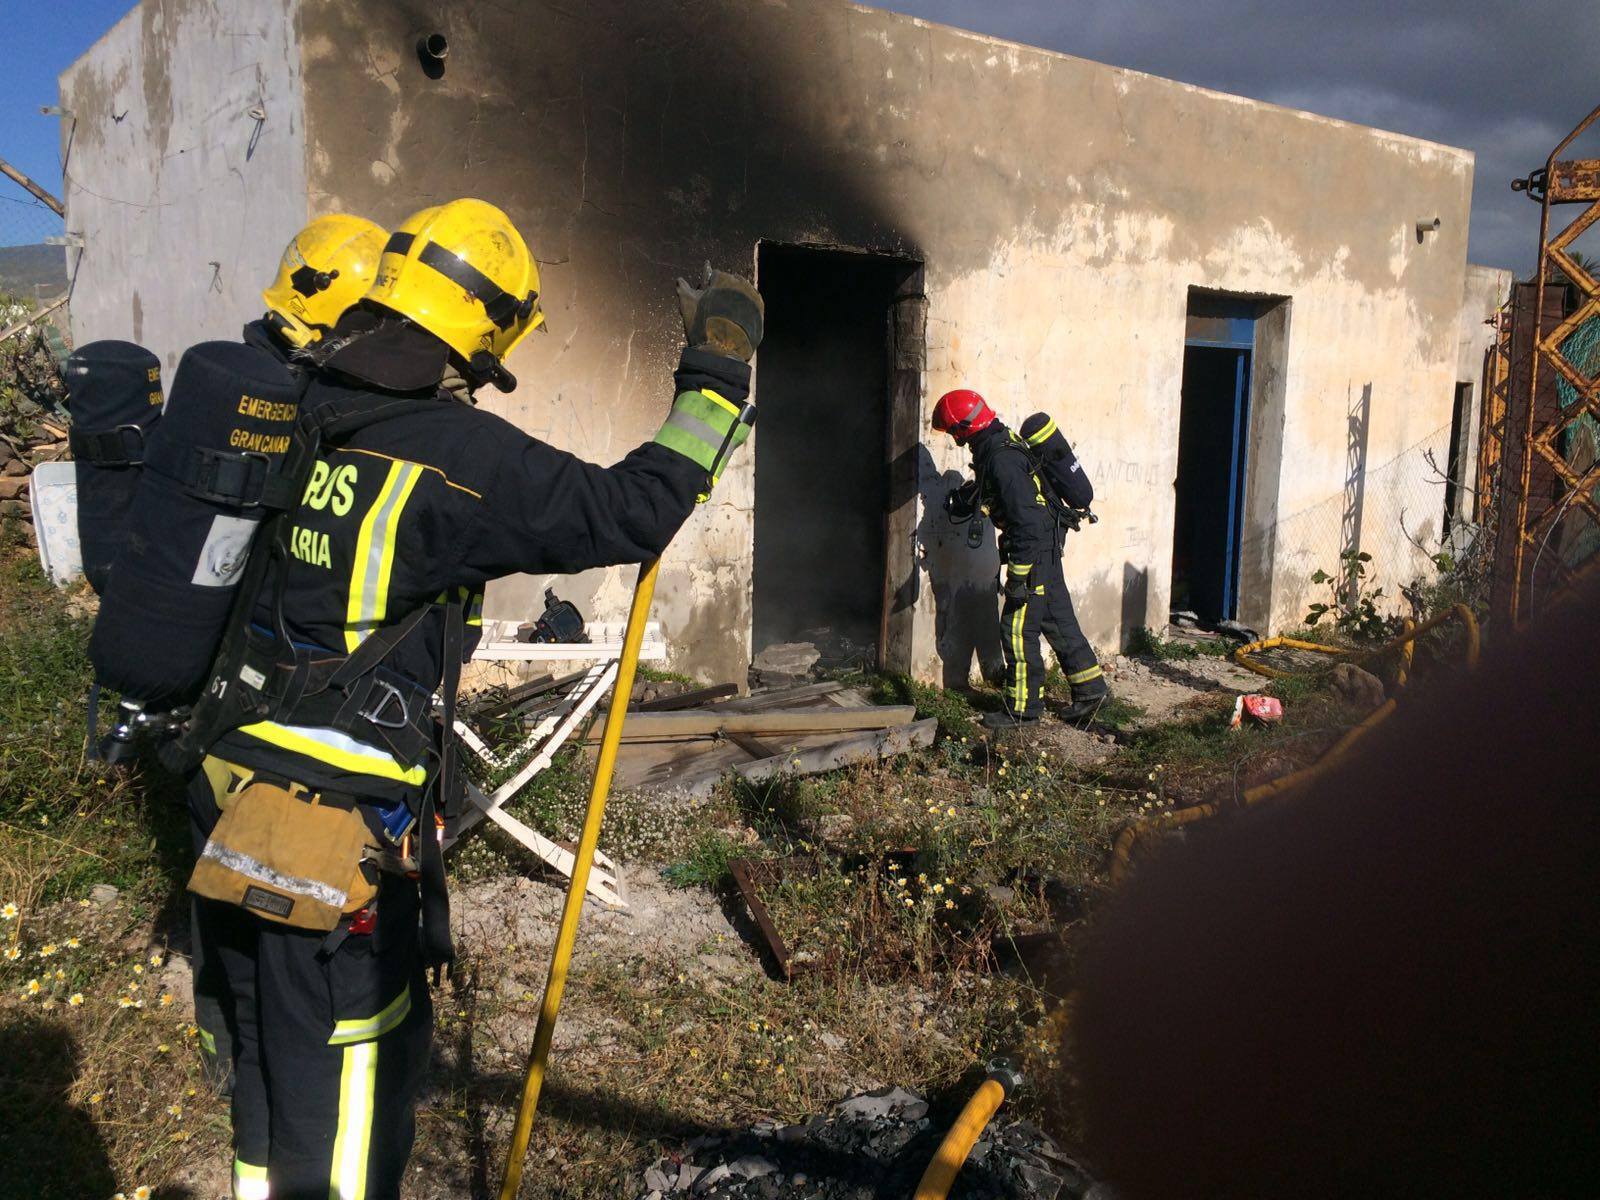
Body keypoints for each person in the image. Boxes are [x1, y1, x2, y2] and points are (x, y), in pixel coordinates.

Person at [182, 197, 761, 1199]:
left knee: (263, 1059)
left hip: (224, 790)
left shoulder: (293, 405)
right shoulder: (459, 457)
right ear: (487, 333)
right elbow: (636, 509)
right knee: (350, 1083)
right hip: (335, 836)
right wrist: (717, 369)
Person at [189, 212, 388, 1098]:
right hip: (278, 733)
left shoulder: (233, 398)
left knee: (220, 917)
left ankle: (229, 1051)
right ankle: (284, 1080)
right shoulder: (318, 420)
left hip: (205, 715)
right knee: (289, 951)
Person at [932, 388, 1107, 728]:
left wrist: (1019, 575)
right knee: (1057, 618)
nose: (953, 437)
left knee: (1016, 627)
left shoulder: (1000, 457)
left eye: (953, 431)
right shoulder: (998, 441)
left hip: (1033, 548)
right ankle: (1091, 689)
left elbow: (1027, 519)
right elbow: (1009, 492)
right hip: (1046, 545)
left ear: (963, 428)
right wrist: (970, 496)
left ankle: (1023, 709)